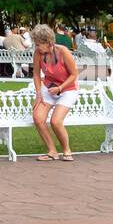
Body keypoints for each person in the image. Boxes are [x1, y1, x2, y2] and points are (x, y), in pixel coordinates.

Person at [30, 23, 79, 162]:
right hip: (49, 87)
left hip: (67, 88)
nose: (36, 47)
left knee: (56, 121)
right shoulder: (38, 53)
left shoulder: (63, 51)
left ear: (48, 42)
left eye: (38, 44)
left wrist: (60, 88)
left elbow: (74, 75)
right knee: (38, 118)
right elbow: (36, 74)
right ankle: (52, 151)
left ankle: (66, 150)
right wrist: (39, 94)